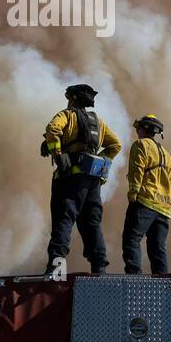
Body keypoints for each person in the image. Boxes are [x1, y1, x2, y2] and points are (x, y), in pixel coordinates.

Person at [40, 84, 122, 275]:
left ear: (74, 99)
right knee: (92, 223)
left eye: (69, 98)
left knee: (64, 218)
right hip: (93, 180)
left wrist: (58, 153)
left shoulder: (66, 116)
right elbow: (115, 145)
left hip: (69, 178)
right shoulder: (98, 122)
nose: (68, 101)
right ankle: (99, 266)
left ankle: (55, 267)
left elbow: (53, 130)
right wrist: (102, 162)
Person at [122, 114, 171, 274]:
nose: (137, 130)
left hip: (145, 201)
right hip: (163, 208)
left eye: (139, 127)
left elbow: (136, 171)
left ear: (144, 129)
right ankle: (163, 285)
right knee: (157, 248)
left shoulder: (140, 145)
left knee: (131, 240)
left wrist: (133, 195)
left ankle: (134, 281)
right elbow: (170, 184)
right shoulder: (167, 154)